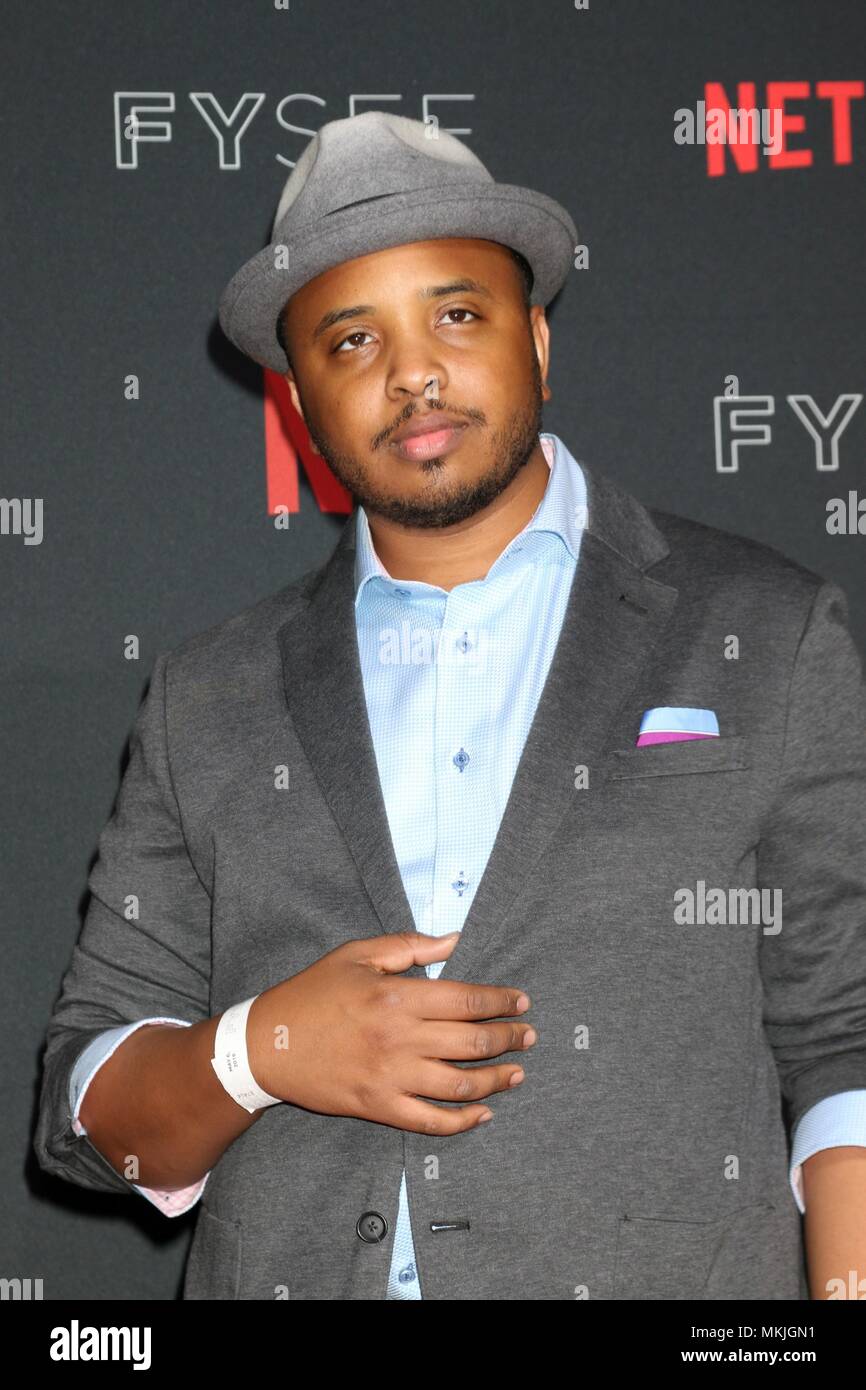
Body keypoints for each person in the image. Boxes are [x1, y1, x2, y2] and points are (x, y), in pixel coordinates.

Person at [34, 110, 866, 1300]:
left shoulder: (762, 631)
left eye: (456, 315)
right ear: (300, 405)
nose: (411, 371)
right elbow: (86, 1108)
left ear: (535, 336)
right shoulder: (208, 693)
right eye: (350, 339)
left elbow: (843, 1036)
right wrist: (264, 1049)